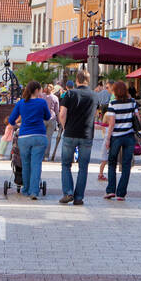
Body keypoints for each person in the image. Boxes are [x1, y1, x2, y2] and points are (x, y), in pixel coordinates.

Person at [57, 71, 97, 206]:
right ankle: (79, 197)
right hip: (86, 135)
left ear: (77, 80)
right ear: (88, 80)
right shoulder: (94, 95)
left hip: (70, 133)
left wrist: (65, 127)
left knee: (66, 165)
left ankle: (68, 192)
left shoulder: (70, 94)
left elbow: (62, 114)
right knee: (83, 167)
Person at [9, 81, 52, 200]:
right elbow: (48, 117)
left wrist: (17, 125)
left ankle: (26, 189)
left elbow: (12, 120)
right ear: (37, 90)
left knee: (26, 164)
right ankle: (34, 191)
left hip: (24, 138)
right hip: (39, 136)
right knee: (36, 164)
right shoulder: (42, 102)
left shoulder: (21, 103)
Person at [103, 81, 141, 200]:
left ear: (115, 92)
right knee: (126, 165)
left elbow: (112, 123)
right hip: (129, 136)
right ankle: (121, 193)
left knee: (112, 163)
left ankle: (110, 190)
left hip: (116, 137)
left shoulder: (113, 104)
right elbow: (138, 118)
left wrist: (108, 139)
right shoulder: (132, 102)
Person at [94, 79, 112, 182]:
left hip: (102, 106)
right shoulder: (109, 117)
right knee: (107, 158)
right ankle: (102, 174)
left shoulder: (100, 93)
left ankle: (101, 173)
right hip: (108, 139)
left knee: (104, 159)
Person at [43, 84, 62, 161]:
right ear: (53, 90)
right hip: (52, 119)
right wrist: (59, 122)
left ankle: (40, 154)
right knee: (48, 138)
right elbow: (57, 111)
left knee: (41, 137)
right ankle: (46, 156)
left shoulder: (42, 97)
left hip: (42, 119)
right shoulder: (55, 98)